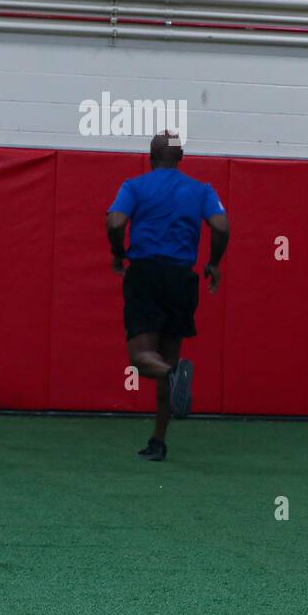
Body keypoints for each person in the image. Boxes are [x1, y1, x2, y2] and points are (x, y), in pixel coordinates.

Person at [106, 131, 230, 461]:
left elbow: (116, 220)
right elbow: (221, 226)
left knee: (143, 359)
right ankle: (158, 442)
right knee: (167, 357)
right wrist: (214, 263)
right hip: (181, 278)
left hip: (145, 273)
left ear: (150, 156)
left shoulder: (135, 186)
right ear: (181, 158)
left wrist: (118, 251)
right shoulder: (201, 190)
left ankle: (173, 375)